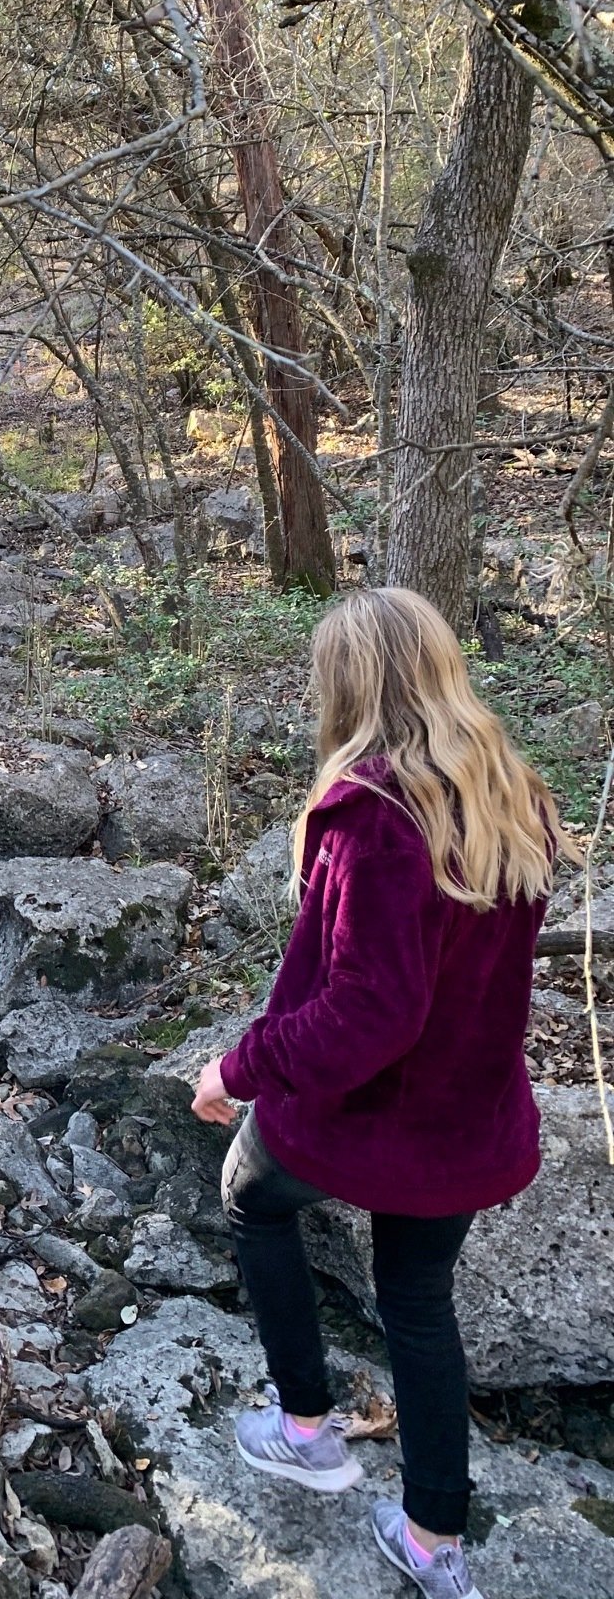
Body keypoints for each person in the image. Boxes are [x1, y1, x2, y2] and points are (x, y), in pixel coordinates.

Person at [190, 588, 568, 1599]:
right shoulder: (510, 793)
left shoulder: (378, 814)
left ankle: (305, 1427)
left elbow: (371, 1011)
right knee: (416, 1300)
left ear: (351, 686)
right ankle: (434, 1541)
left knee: (249, 1193)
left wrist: (240, 1066)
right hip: (464, 1116)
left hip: (368, 1113)